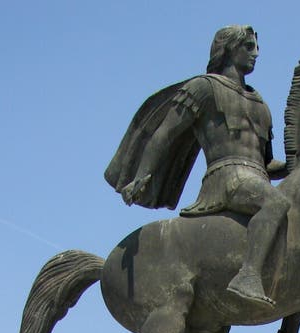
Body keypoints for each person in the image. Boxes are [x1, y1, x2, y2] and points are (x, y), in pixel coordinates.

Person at [105, 25, 290, 310]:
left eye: (257, 48)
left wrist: (297, 163)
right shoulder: (204, 88)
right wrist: (142, 175)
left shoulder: (260, 102)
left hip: (255, 178)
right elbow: (165, 133)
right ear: (229, 49)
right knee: (276, 203)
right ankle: (248, 277)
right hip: (226, 176)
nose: (256, 54)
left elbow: (266, 164)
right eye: (249, 47)